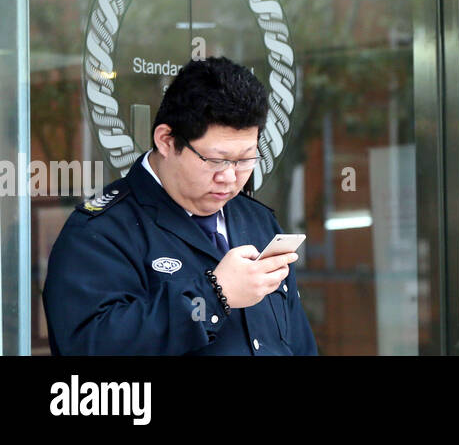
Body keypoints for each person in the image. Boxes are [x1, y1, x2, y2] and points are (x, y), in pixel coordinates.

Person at [43, 57, 318, 355]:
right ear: (166, 140)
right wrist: (214, 295)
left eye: (244, 160)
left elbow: (298, 345)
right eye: (215, 160)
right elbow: (90, 347)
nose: (229, 177)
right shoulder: (100, 233)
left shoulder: (257, 221)